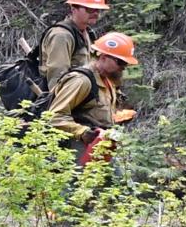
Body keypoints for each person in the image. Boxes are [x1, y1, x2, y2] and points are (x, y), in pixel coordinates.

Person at [43, 31, 140, 164]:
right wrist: (83, 132)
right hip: (75, 148)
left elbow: (97, 112)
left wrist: (119, 118)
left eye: (126, 64)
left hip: (101, 146)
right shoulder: (81, 81)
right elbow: (54, 116)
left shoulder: (108, 82)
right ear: (104, 57)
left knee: (117, 181)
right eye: (120, 62)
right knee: (77, 184)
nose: (123, 68)